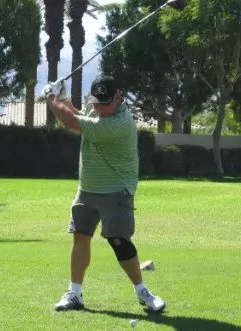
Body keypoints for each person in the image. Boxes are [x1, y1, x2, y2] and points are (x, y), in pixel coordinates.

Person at [44, 76, 165, 312]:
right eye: (96, 102)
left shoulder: (117, 124)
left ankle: (142, 292)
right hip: (87, 189)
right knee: (80, 237)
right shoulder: (103, 111)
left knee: (119, 241)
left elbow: (71, 122)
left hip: (115, 191)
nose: (98, 107)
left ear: (118, 99)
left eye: (104, 103)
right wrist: (64, 98)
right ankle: (74, 294)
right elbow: (79, 116)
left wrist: (51, 98)